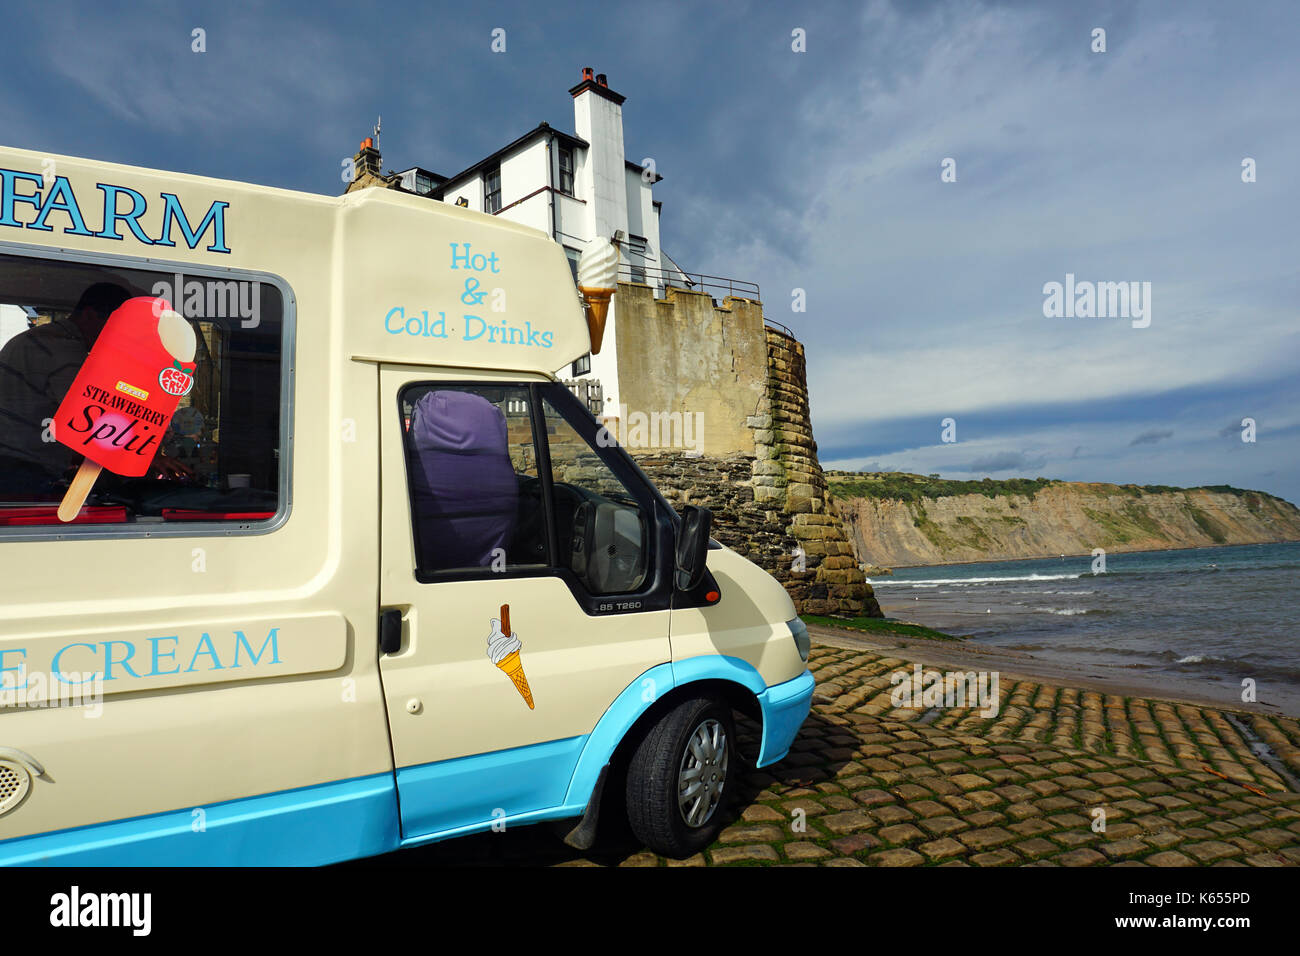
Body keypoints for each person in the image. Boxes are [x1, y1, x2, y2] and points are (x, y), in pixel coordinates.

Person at [0, 282, 191, 499]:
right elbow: (90, 417)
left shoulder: (39, 339)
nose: (121, 337)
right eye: (118, 327)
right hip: (23, 470)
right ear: (91, 315)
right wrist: (145, 458)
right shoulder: (63, 349)